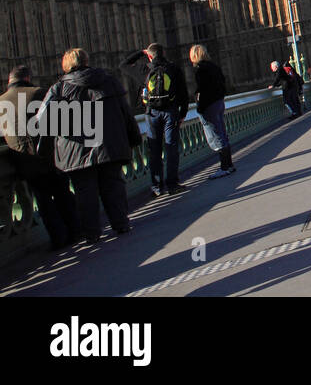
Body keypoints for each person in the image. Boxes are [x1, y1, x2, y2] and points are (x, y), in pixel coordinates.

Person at [36, 48, 140, 241]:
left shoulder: (58, 89)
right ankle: (121, 224)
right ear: (86, 60)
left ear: (66, 65)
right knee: (113, 185)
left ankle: (92, 233)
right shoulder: (108, 81)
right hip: (109, 145)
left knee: (85, 192)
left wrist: (63, 132)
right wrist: (134, 138)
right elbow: (125, 113)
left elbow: (42, 121)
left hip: (76, 150)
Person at [1, 66, 80, 250]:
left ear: (9, 81)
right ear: (28, 78)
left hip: (24, 162)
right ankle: (75, 232)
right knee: (63, 195)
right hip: (50, 156)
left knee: (43, 202)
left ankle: (58, 239)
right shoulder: (38, 92)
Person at [134, 43, 189, 197]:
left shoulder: (145, 70)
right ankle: (172, 184)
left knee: (155, 151)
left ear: (150, 55)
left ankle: (157, 186)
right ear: (164, 52)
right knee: (171, 147)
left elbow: (123, 64)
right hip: (170, 112)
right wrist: (182, 113)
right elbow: (183, 93)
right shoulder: (173, 68)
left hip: (151, 114)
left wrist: (140, 52)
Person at [190, 45, 235, 179]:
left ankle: (224, 167)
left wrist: (200, 108)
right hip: (219, 102)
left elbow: (203, 90)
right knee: (222, 132)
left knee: (216, 135)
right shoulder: (214, 66)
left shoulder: (200, 69)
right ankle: (229, 165)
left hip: (209, 105)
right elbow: (222, 83)